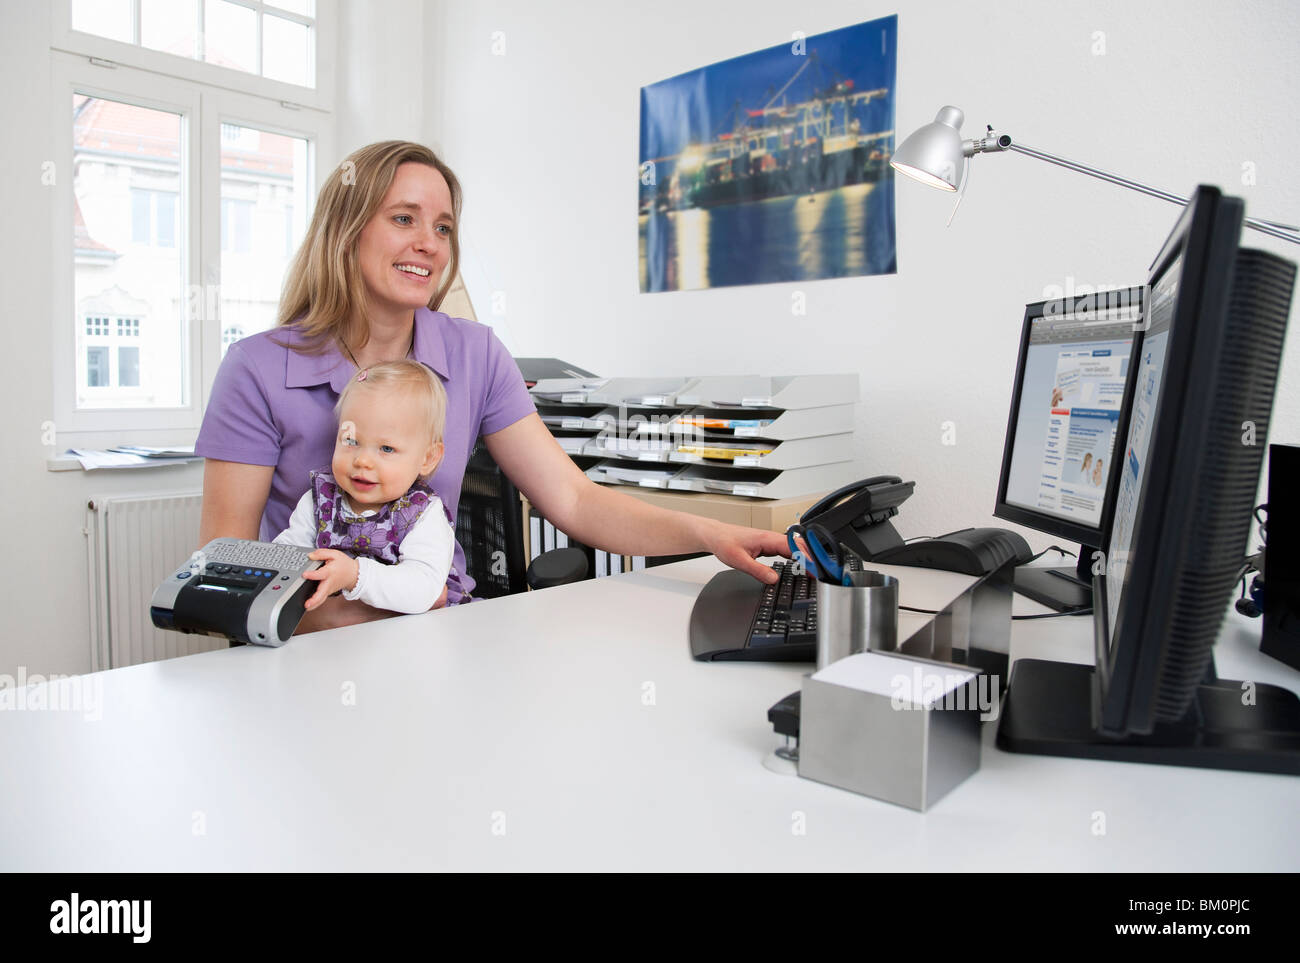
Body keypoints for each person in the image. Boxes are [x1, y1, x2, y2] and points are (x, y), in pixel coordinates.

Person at [197, 140, 787, 633]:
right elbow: (225, 571)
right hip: (312, 653)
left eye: (444, 227)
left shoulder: (475, 352)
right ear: (346, 231)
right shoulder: (256, 368)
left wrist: (707, 534)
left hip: (444, 636)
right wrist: (372, 611)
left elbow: (576, 500)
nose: (429, 243)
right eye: (404, 218)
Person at [273, 361, 454, 615]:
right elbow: (289, 556)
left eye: (386, 448)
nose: (362, 461)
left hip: (412, 638)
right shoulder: (320, 500)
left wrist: (354, 575)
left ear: (427, 458)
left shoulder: (422, 513)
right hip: (335, 638)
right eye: (351, 441)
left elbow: (424, 589)